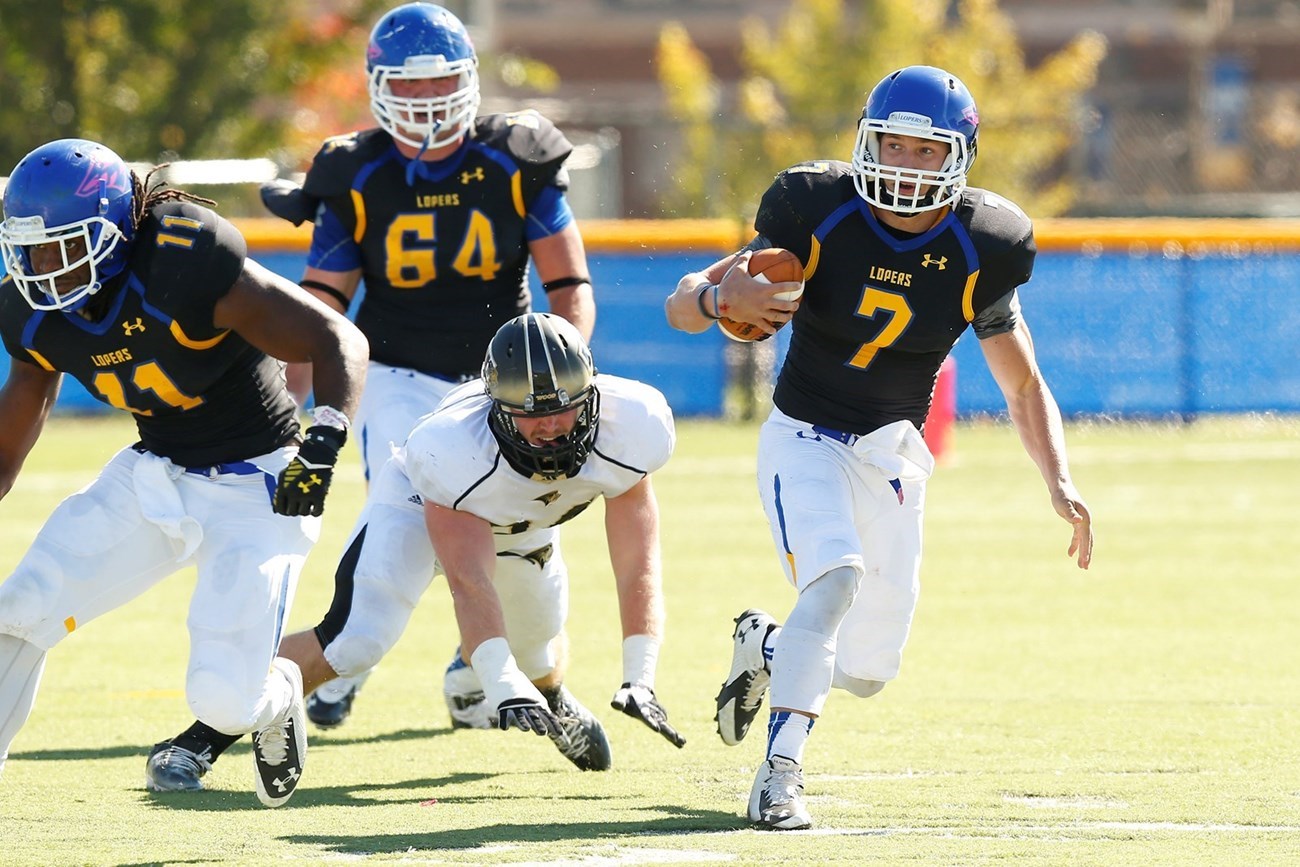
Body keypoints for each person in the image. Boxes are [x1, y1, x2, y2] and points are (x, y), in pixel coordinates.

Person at [665, 65, 1094, 830]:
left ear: (958, 158)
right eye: (890, 145)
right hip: (802, 436)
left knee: (863, 671)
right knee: (835, 579)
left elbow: (1023, 385)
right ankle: (780, 774)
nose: (902, 165)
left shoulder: (984, 243)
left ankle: (766, 644)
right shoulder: (815, 208)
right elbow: (684, 302)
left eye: (924, 152)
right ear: (866, 141)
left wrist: (1057, 478)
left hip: (893, 452)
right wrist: (711, 297)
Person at [138, 312, 684, 792]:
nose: (547, 428)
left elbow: (637, 557)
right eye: (527, 413)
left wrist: (641, 672)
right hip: (427, 505)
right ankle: (195, 741)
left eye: (562, 409)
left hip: (526, 524)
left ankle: (553, 697)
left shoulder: (631, 424)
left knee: (537, 649)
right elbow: (470, 582)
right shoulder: (452, 451)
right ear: (496, 406)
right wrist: (497, 679)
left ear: (591, 393)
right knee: (356, 638)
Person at [257, 0, 596, 730]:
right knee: (406, 512)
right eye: (405, 86)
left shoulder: (516, 155)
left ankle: (471, 666)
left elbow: (568, 286)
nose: (424, 100)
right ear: (378, 86)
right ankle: (348, 650)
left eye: (438, 82)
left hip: (500, 380)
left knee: (510, 525)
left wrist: (565, 376)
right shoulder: (355, 168)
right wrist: (294, 410)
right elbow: (321, 308)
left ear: (469, 80)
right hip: (395, 373)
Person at [0, 138, 368, 808]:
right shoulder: (32, 315)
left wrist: (326, 437)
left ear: (114, 232)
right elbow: (5, 448)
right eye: (30, 249)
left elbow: (336, 338)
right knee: (18, 610)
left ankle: (278, 689)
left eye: (62, 245)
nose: (44, 268)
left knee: (224, 699)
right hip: (154, 473)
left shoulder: (182, 266)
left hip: (261, 481)